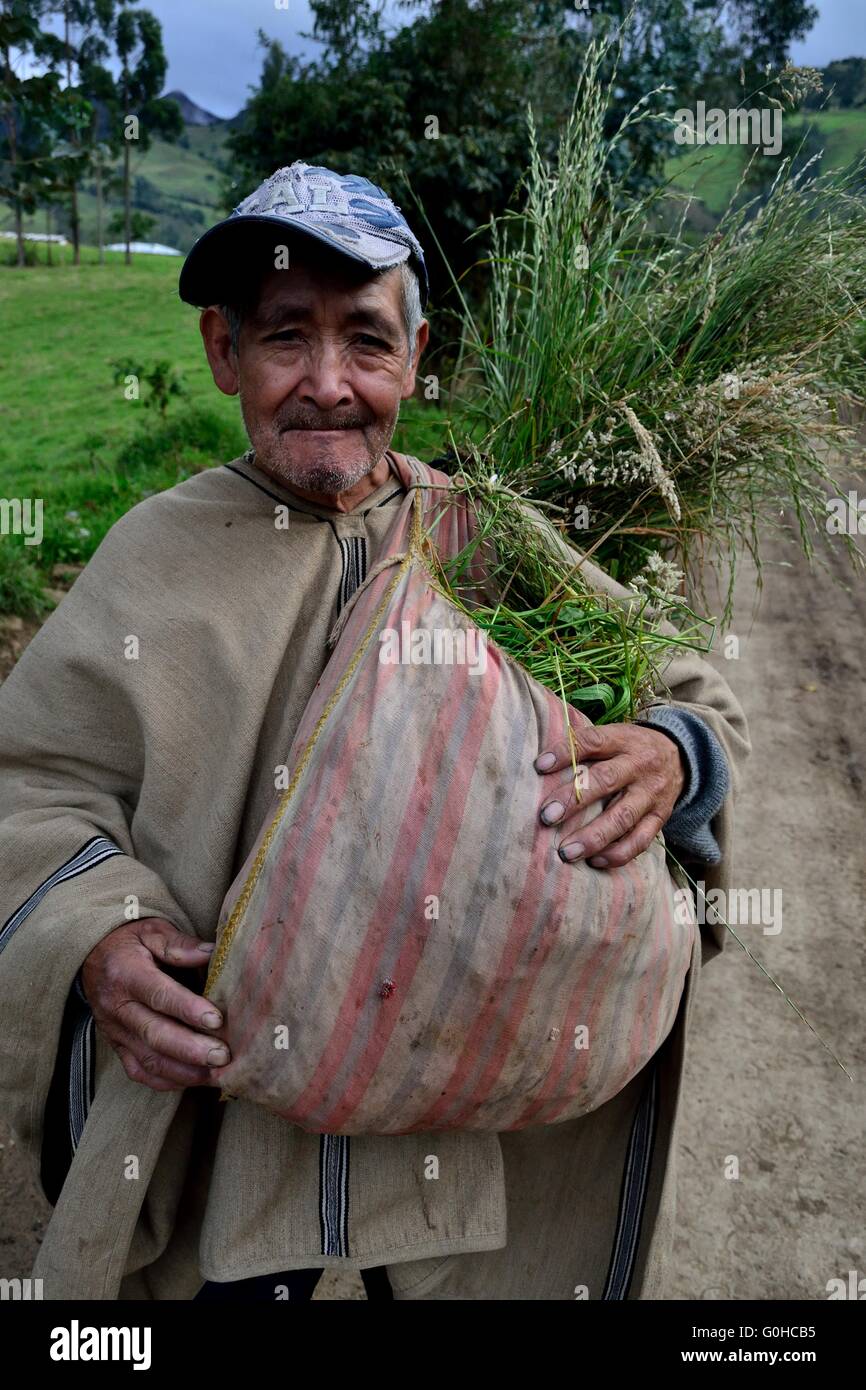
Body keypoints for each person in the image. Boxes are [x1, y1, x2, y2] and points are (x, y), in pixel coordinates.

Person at [0, 161, 749, 1301]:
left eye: (364, 339)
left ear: (416, 353)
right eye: (285, 337)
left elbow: (687, 684)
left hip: (453, 1112)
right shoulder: (156, 560)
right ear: (223, 353)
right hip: (225, 1129)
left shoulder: (484, 532)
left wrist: (666, 750)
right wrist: (101, 935)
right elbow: (30, 782)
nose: (327, 384)